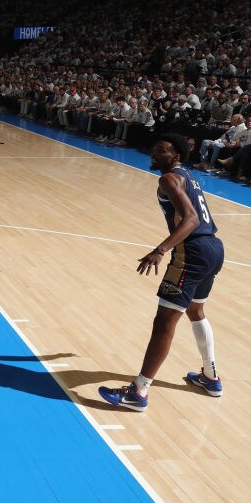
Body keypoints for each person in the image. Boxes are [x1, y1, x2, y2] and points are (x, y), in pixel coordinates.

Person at [99, 133, 225, 411]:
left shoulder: (168, 178)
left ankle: (138, 392)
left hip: (191, 252)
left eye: (161, 151)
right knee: (196, 311)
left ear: (176, 155)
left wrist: (160, 249)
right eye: (154, 150)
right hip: (214, 248)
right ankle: (210, 376)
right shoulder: (187, 176)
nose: (154, 155)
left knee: (164, 321)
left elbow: (191, 218)